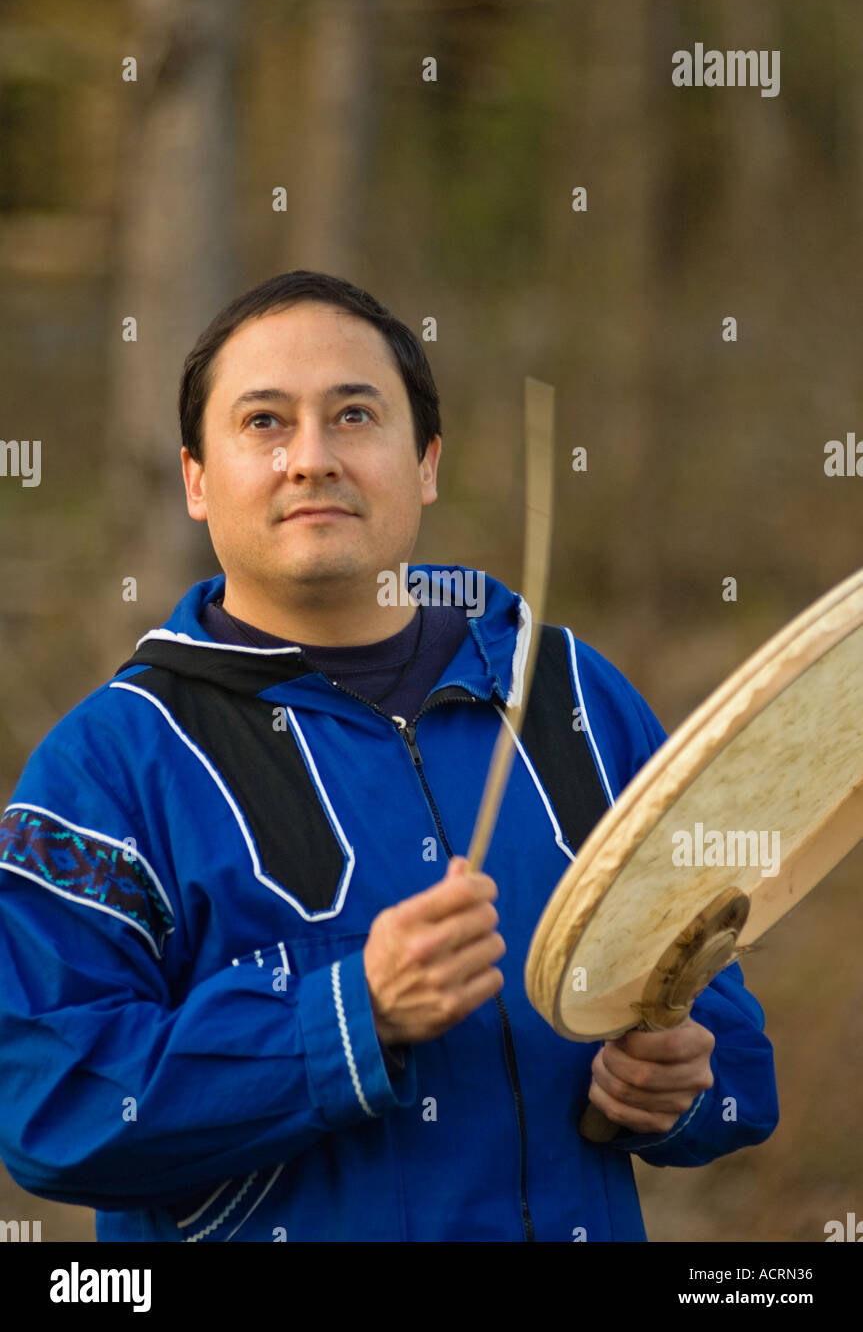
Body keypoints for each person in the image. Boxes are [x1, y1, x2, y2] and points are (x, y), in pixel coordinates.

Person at [0, 270, 778, 1243]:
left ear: (424, 463)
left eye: (355, 414)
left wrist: (683, 1082)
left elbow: (733, 1049)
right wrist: (348, 1019)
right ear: (197, 479)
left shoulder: (573, 698)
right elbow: (52, 1111)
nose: (311, 459)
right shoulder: (106, 766)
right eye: (263, 423)